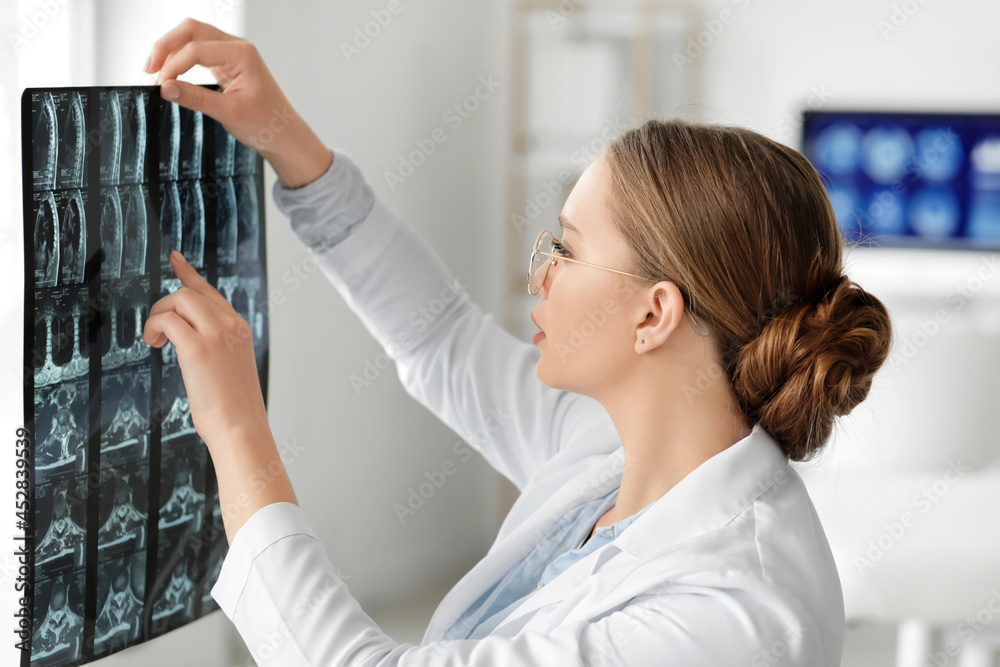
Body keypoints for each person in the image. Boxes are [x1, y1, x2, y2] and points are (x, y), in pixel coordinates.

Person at [141, 18, 893, 666]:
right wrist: (283, 136)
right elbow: (438, 336)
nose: (539, 274)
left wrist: (236, 427)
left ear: (653, 315)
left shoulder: (725, 614)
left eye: (566, 249)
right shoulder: (615, 452)